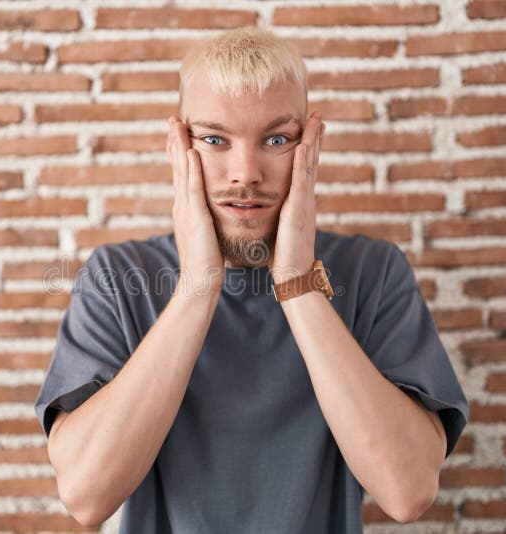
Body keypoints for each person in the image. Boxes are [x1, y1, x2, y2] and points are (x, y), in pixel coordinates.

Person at [35, 26, 469, 533]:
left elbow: (409, 489)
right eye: (215, 139)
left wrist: (296, 282)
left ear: (310, 143)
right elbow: (86, 495)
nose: (245, 172)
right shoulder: (117, 277)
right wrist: (199, 283)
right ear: (180, 147)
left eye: (277, 139)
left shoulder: (372, 273)